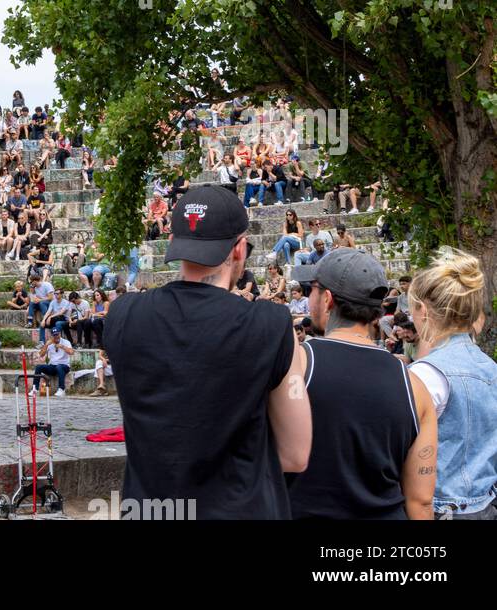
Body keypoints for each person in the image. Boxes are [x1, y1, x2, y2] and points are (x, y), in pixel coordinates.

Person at [103, 185, 311, 519]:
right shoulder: (270, 324)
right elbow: (295, 454)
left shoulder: (123, 314)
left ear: (173, 244)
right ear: (239, 249)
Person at [285, 248, 437, 519]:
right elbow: (421, 501)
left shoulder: (295, 365)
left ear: (327, 299)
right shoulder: (415, 385)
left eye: (313, 290)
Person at [407, 247, 497, 519]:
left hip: (442, 508)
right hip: (485, 504)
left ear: (423, 311)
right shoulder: (490, 367)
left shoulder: (425, 375)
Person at [31, 330, 74, 397]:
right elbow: (41, 355)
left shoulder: (66, 342)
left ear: (60, 334)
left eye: (57, 334)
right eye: (54, 335)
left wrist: (62, 347)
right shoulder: (49, 343)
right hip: (53, 366)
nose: (56, 336)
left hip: (64, 366)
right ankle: (35, 389)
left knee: (59, 367)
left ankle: (62, 389)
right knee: (38, 367)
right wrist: (46, 345)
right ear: (52, 336)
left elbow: (71, 352)